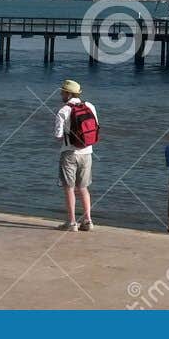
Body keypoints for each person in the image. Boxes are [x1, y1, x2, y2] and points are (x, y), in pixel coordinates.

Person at [53, 79, 98, 231]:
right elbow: (96, 128)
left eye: (62, 92)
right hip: (87, 152)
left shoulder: (63, 111)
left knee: (69, 188)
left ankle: (72, 222)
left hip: (69, 152)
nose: (60, 94)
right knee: (84, 187)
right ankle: (88, 221)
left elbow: (58, 136)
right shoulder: (90, 106)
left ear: (68, 93)